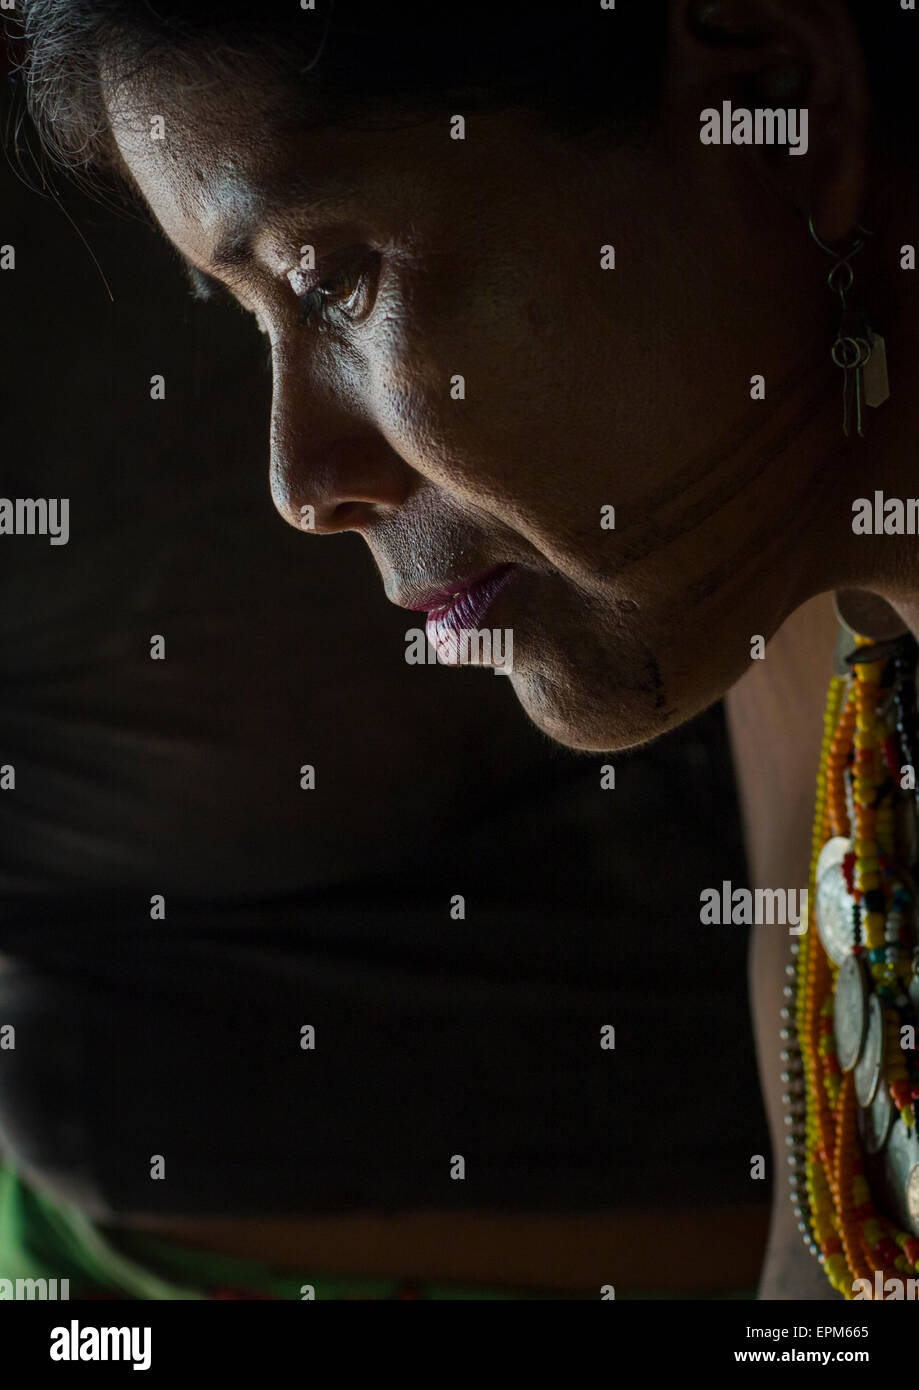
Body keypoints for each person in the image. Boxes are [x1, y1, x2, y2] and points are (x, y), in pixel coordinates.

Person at [13, 0, 916, 1300]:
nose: (301, 481)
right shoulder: (808, 668)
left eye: (333, 283)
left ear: (774, 106)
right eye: (255, 321)